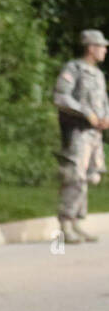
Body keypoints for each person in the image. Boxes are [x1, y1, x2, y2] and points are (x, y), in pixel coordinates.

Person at [52, 28, 109, 244]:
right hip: (77, 131)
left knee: (88, 177)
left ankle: (76, 221)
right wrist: (87, 113)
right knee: (74, 175)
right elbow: (61, 97)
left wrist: (105, 118)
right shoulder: (73, 69)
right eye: (102, 46)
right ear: (91, 47)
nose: (105, 50)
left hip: (94, 135)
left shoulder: (98, 75)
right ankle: (65, 223)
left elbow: (102, 101)